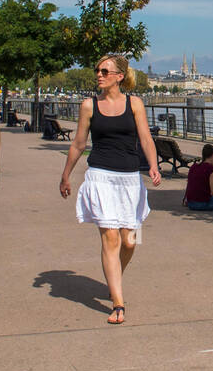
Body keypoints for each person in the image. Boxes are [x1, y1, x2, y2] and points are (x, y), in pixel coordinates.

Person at [59, 54, 161, 324]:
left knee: (130, 240)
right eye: (97, 70)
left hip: (130, 179)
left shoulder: (135, 103)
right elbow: (79, 144)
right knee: (111, 239)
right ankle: (118, 303)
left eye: (105, 70)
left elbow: (146, 138)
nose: (99, 74)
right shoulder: (88, 106)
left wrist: (153, 166)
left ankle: (115, 275)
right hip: (100, 176)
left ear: (119, 76)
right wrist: (66, 175)